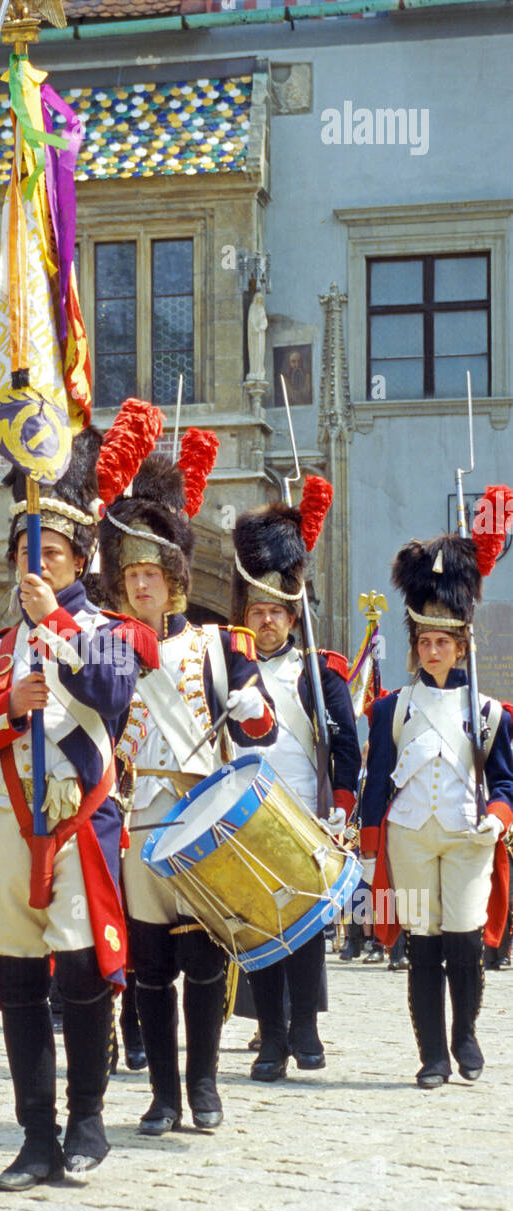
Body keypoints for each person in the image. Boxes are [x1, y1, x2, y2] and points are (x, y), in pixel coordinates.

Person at [0, 427, 157, 1191]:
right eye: (28, 553)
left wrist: (58, 628)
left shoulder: (110, 635)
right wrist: (7, 706)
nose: (39, 566)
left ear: (80, 559)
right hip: (5, 821)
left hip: (80, 822)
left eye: (54, 554)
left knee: (82, 972)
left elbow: (110, 695)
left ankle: (87, 1118)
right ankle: (35, 1135)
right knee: (21, 979)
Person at [98, 406, 276, 1134]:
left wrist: (248, 700)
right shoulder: (105, 646)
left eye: (153, 573)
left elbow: (260, 724)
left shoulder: (217, 642)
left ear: (174, 579)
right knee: (149, 968)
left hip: (200, 814)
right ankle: (163, 1094)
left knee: (205, 962)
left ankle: (204, 1084)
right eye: (132, 573)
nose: (142, 586)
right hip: (138, 823)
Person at [361, 520, 513, 1088]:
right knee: (422, 943)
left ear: (460, 644)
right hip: (410, 837)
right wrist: (367, 850)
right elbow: (378, 785)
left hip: (469, 839)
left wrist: (496, 821)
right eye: (424, 641)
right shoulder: (391, 710)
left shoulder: (490, 713)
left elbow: (506, 786)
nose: (431, 651)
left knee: (464, 938)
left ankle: (465, 1034)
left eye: (442, 642)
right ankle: (431, 1054)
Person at [231, 485, 360, 1080]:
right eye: (256, 611)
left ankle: (306, 1028)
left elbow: (344, 747)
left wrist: (338, 807)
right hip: (243, 812)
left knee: (305, 929)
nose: (265, 622)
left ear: (291, 616)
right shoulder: (224, 666)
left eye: (275, 612)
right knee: (259, 926)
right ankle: (269, 1038)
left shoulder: (320, 670)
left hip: (303, 814)